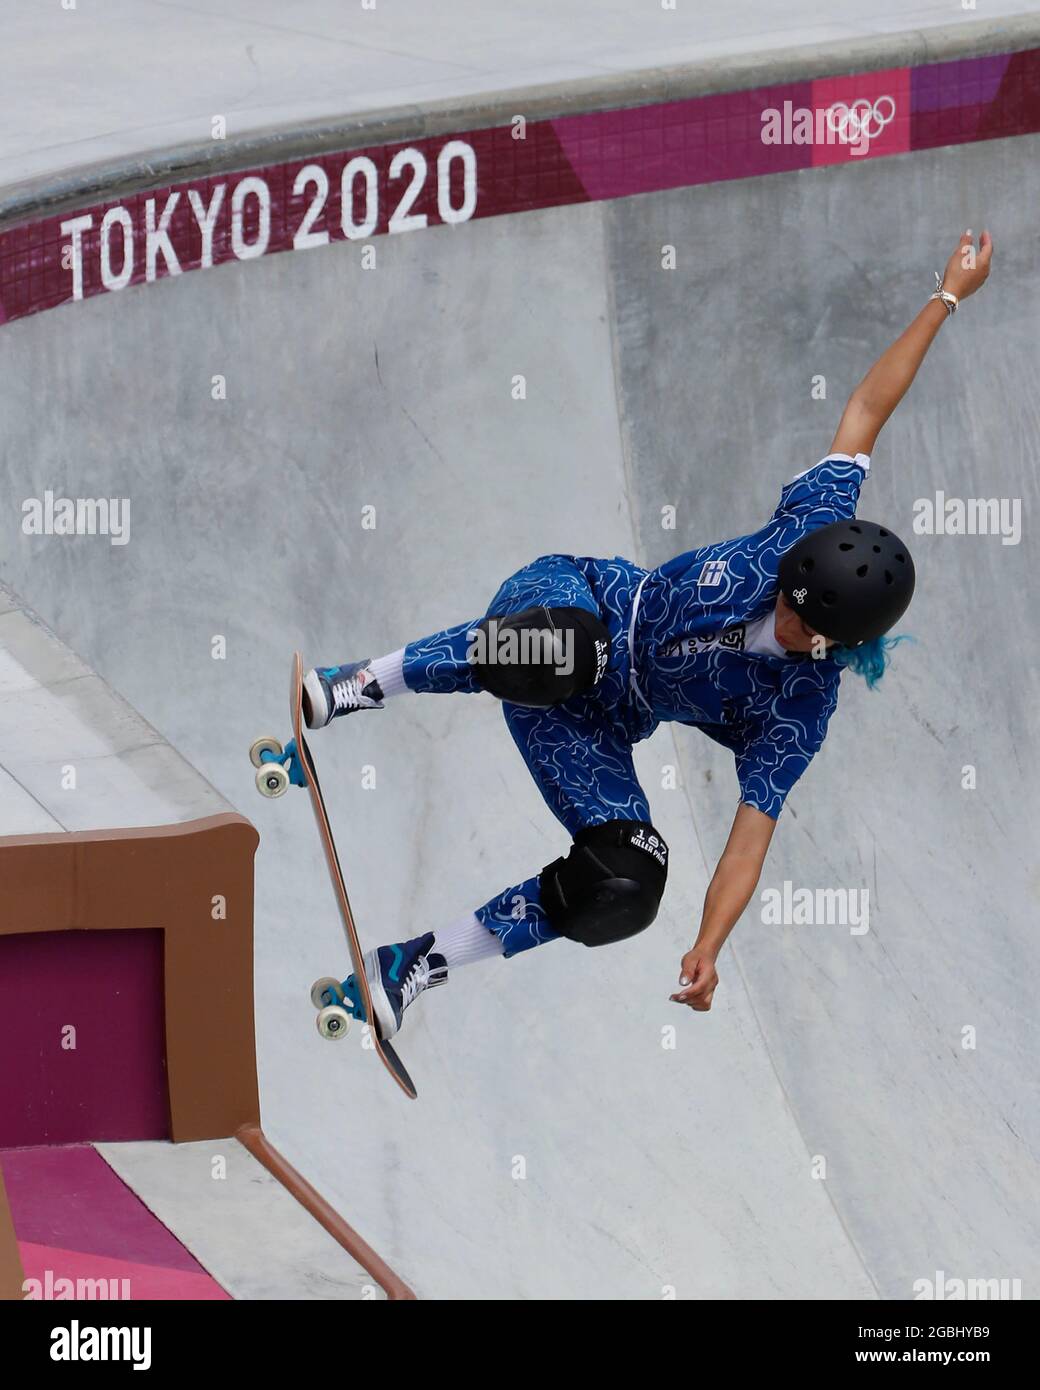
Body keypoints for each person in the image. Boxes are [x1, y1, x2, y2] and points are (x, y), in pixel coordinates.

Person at [299, 231, 992, 1042]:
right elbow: (869, 409)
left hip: (594, 729)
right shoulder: (815, 517)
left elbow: (747, 844)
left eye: (804, 623)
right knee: (571, 651)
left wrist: (709, 941)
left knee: (629, 879)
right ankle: (361, 684)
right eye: (788, 596)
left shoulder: (799, 711)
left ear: (839, 645)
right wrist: (946, 297)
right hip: (572, 603)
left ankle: (412, 965)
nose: (785, 615)